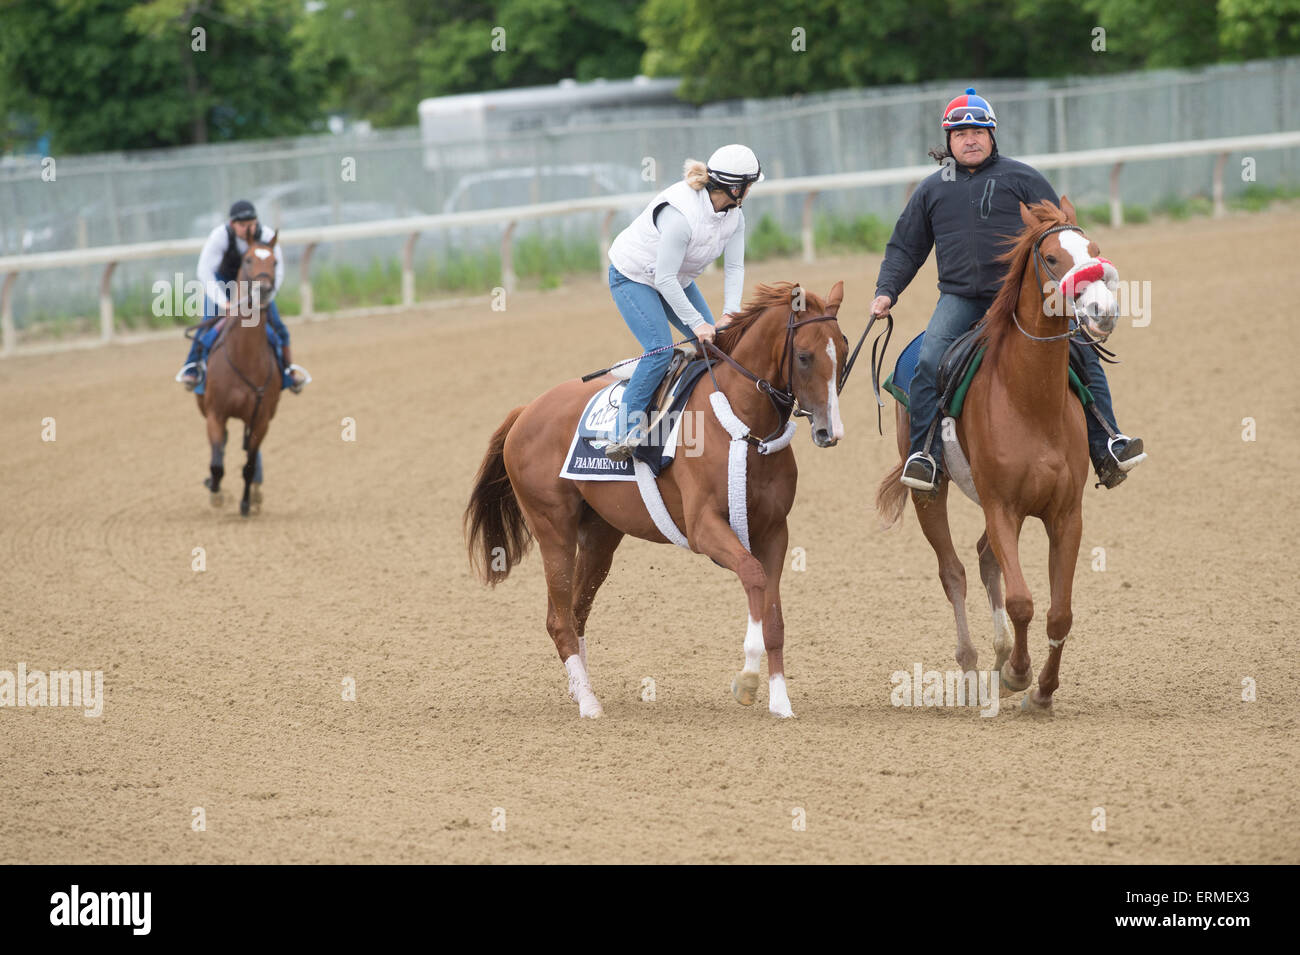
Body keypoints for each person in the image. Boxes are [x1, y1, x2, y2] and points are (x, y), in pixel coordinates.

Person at [870, 88, 1145, 491]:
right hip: (961, 298)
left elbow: (1061, 234)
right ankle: (924, 456)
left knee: (1083, 352)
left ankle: (1108, 444)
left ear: (992, 134)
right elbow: (906, 247)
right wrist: (886, 291)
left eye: (979, 131)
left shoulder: (1023, 178)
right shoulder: (931, 190)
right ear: (948, 140)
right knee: (928, 361)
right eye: (961, 132)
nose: (970, 138)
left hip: (1023, 297)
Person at [601, 145, 762, 460]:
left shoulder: (735, 217)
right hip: (633, 277)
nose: (751, 190)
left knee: (717, 345)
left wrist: (729, 313)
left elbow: (735, 267)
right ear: (735, 187)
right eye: (750, 184)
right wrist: (698, 323)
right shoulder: (681, 216)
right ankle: (624, 433)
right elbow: (663, 280)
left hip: (676, 280)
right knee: (659, 348)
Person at [176, 199, 307, 393]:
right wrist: (224, 302)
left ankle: (288, 372)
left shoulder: (268, 236)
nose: (249, 229)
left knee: (277, 328)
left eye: (252, 224)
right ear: (232, 225)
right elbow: (204, 271)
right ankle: (193, 367)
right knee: (208, 323)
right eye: (243, 225)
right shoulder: (220, 237)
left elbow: (276, 272)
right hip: (223, 284)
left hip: (257, 287)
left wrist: (265, 298)